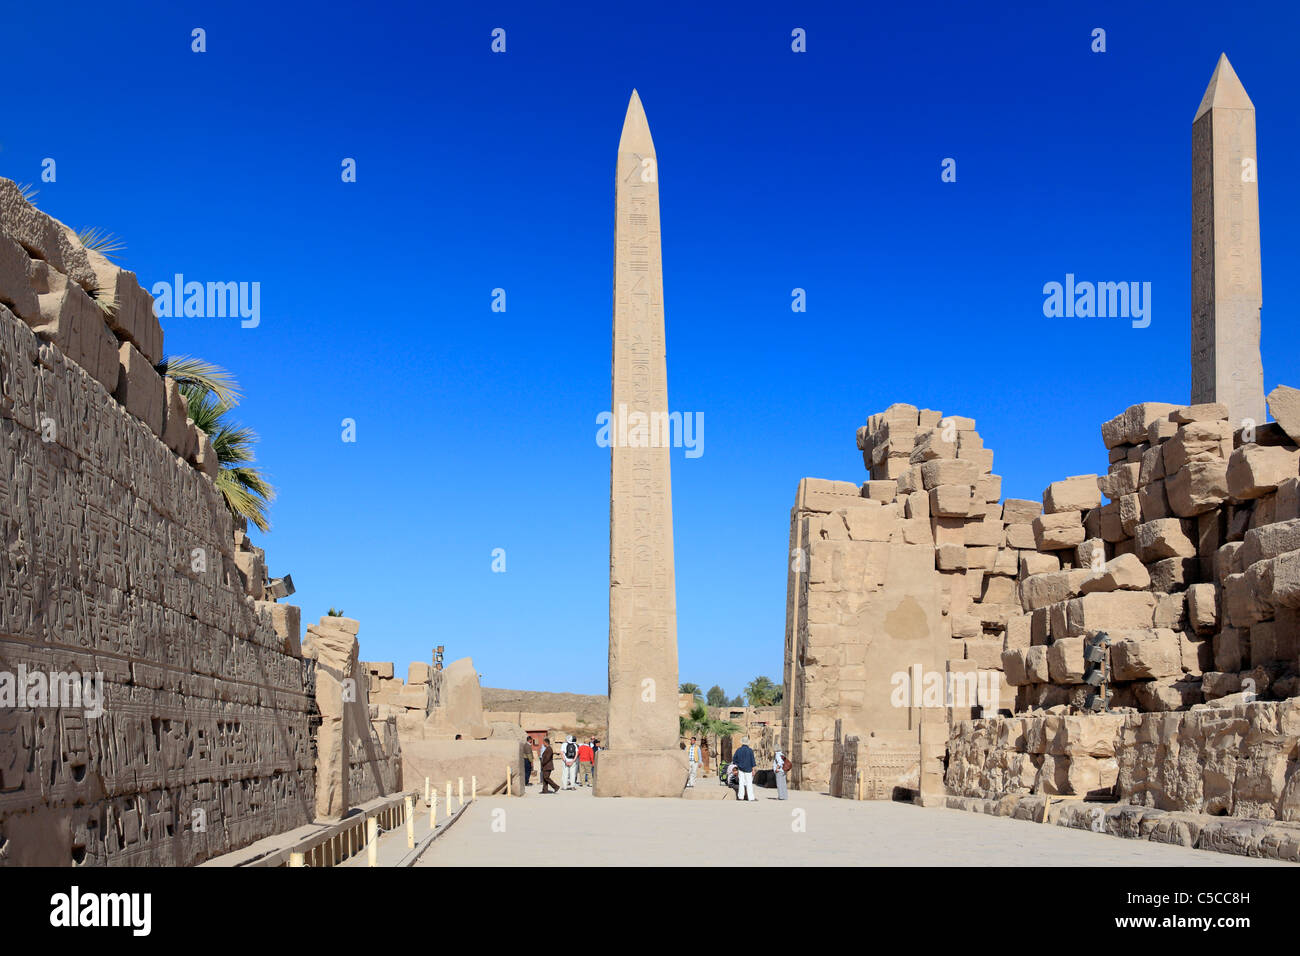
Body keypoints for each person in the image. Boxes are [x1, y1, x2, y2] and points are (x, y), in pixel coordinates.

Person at [733, 736, 757, 803]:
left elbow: (734, 759)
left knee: (741, 783)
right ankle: (751, 797)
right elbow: (752, 760)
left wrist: (738, 765)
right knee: (749, 783)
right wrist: (753, 769)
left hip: (740, 769)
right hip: (748, 769)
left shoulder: (738, 750)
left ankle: (740, 797)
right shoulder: (750, 750)